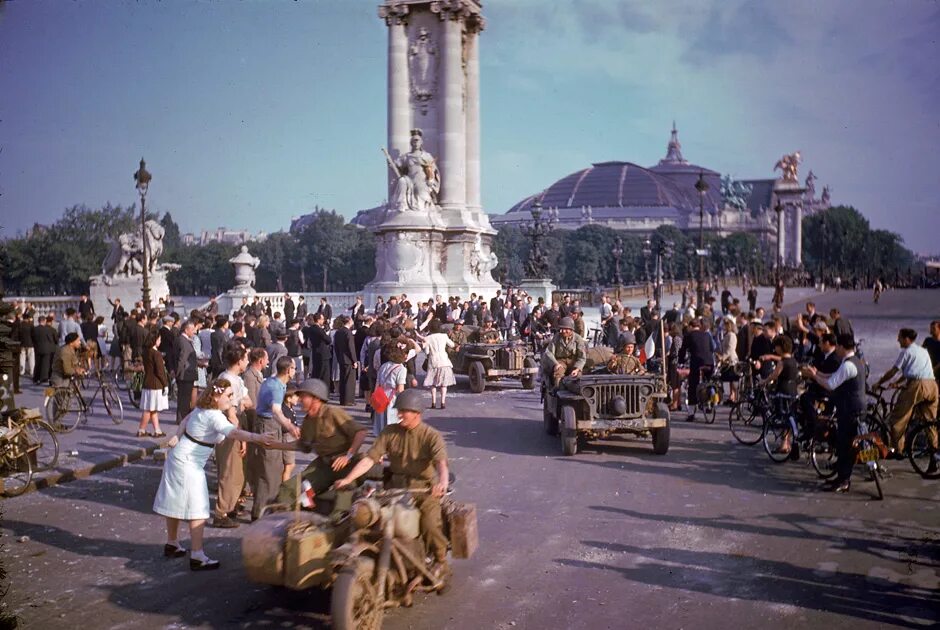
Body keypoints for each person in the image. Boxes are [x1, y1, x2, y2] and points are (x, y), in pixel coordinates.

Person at [153, 378, 278, 570]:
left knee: (174, 501)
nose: (231, 399)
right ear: (216, 395)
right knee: (199, 508)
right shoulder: (214, 416)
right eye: (228, 395)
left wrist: (177, 435)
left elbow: (185, 420)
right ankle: (197, 555)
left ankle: (172, 543)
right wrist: (257, 438)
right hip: (188, 463)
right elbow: (234, 434)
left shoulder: (202, 409)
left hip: (178, 458)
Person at [335, 388, 451, 583]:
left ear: (417, 413)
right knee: (360, 513)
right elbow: (370, 459)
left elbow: (441, 464)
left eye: (403, 411)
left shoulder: (431, 435)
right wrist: (348, 479)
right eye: (399, 410)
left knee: (430, 522)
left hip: (423, 490)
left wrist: (442, 484)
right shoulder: (390, 432)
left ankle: (440, 561)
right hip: (393, 488)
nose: (399, 414)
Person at [272, 378, 368, 506]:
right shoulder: (308, 420)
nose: (300, 400)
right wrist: (274, 445)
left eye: (303, 397)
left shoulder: (333, 413)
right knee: (288, 488)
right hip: (324, 466)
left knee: (342, 501)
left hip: (346, 465)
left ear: (316, 398)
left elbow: (360, 432)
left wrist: (348, 456)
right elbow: (302, 445)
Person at [801, 335, 867, 492]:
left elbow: (831, 385)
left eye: (838, 346)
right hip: (853, 407)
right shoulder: (853, 361)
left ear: (843, 347)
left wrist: (814, 376)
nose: (836, 349)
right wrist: (818, 372)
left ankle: (844, 480)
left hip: (850, 409)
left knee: (846, 445)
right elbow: (833, 376)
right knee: (844, 443)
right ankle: (840, 476)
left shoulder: (848, 365)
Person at [873, 328, 939, 460]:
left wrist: (879, 382)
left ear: (906, 338)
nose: (898, 340)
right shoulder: (923, 351)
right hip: (932, 386)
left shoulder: (906, 352)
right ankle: (934, 453)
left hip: (917, 386)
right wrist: (897, 383)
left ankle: (898, 450)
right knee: (929, 422)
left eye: (899, 337)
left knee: (898, 418)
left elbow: (893, 371)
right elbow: (912, 371)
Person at [249, 356, 300, 521]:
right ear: (287, 370)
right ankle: (261, 515)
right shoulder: (277, 388)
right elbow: (276, 411)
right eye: (293, 368)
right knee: (269, 472)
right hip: (269, 425)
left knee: (272, 470)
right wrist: (290, 426)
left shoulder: (272, 380)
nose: (295, 371)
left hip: (268, 424)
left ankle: (266, 510)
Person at [210, 345, 254, 529]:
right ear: (239, 361)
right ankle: (222, 512)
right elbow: (232, 413)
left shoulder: (231, 378)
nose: (247, 362)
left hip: (232, 425)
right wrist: (242, 437)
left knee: (235, 470)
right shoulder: (228, 379)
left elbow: (247, 401)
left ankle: (231, 505)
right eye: (245, 358)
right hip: (230, 429)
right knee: (230, 471)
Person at [759, 336, 800, 456]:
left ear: (781, 347)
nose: (775, 349)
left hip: (783, 390)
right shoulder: (793, 360)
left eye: (776, 346)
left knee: (782, 418)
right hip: (793, 391)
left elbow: (774, 375)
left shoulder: (782, 362)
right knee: (790, 417)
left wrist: (764, 381)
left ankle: (783, 444)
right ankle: (787, 444)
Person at [679, 318, 715, 422]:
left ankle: (691, 414)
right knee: (708, 381)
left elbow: (682, 350)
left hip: (697, 363)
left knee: (693, 386)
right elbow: (712, 348)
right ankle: (710, 401)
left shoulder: (688, 335)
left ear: (690, 326)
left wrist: (681, 361)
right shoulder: (707, 335)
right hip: (709, 362)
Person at [138, 329, 169, 438]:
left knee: (152, 408)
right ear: (155, 340)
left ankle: (157, 430)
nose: (160, 341)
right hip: (156, 384)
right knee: (150, 409)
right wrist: (165, 384)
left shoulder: (146, 352)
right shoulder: (157, 354)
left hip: (147, 382)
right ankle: (141, 430)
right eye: (159, 339)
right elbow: (160, 372)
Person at [373, 342, 408, 435]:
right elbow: (400, 389)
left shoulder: (383, 366)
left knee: (381, 421)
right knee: (392, 421)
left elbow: (377, 383)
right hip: (392, 397)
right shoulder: (401, 369)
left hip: (381, 395)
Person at [542, 317, 587, 388]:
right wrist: (556, 364)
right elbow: (549, 352)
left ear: (571, 330)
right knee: (558, 372)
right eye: (562, 329)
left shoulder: (578, 339)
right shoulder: (557, 337)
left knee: (577, 375)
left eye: (566, 329)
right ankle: (557, 391)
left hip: (573, 361)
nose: (563, 331)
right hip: (560, 361)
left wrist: (577, 368)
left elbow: (582, 357)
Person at [423, 319, 456, 409]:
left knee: (433, 383)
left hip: (433, 362)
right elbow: (452, 345)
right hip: (444, 361)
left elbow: (426, 352)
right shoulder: (444, 336)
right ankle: (443, 403)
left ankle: (433, 403)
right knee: (443, 384)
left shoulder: (428, 338)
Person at [176, 320, 199, 424]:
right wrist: (178, 373)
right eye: (192, 329)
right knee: (184, 398)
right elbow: (182, 359)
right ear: (186, 330)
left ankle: (181, 418)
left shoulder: (184, 340)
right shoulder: (183, 341)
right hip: (185, 374)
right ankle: (182, 419)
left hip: (187, 373)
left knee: (184, 398)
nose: (194, 331)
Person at [333, 316, 359, 406]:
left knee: (343, 380)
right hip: (348, 359)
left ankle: (343, 399)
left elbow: (335, 346)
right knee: (349, 381)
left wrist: (338, 356)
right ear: (348, 321)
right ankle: (349, 400)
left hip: (341, 358)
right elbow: (351, 348)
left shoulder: (338, 332)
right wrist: (354, 360)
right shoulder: (348, 333)